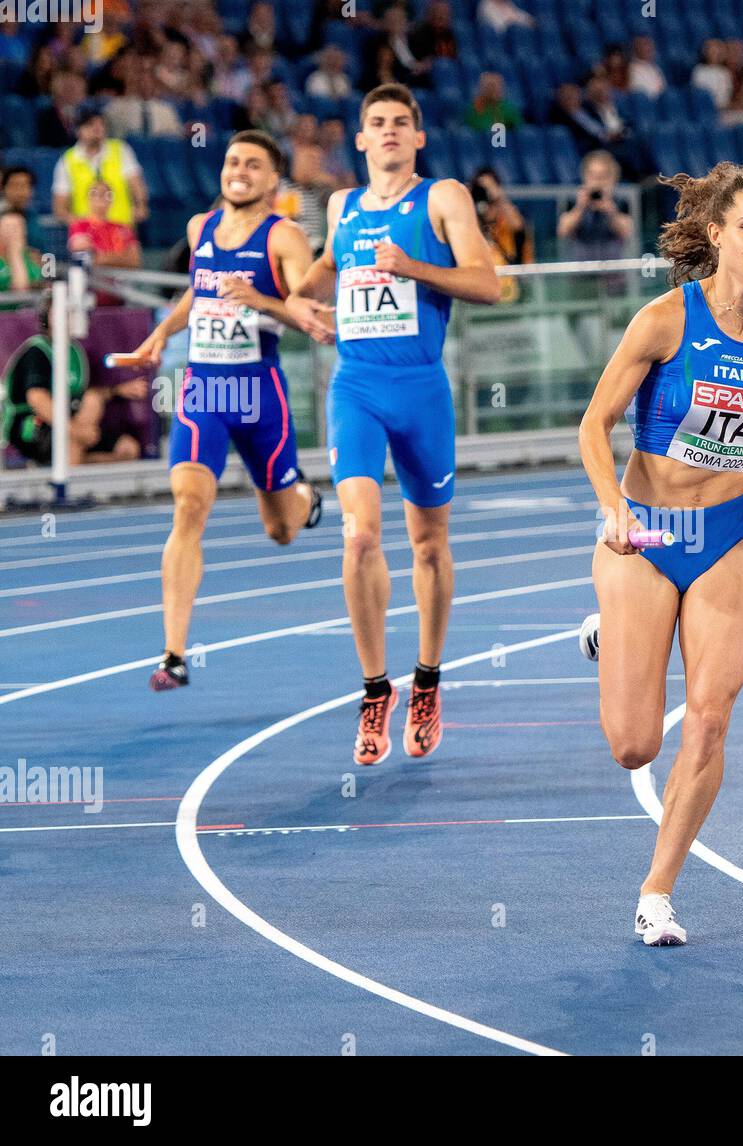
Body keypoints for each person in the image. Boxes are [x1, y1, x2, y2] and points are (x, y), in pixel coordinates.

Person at [576, 162, 743, 946]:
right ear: (716, 233)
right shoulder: (663, 321)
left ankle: (657, 892)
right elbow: (593, 425)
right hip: (643, 537)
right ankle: (610, 628)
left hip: (727, 541)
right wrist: (612, 507)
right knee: (634, 745)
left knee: (709, 722)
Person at [285, 83, 502, 765]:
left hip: (422, 390)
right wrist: (299, 304)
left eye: (399, 123)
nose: (386, 132)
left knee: (430, 547)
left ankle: (428, 680)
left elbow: (489, 283)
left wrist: (409, 265)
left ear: (418, 137)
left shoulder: (443, 198)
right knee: (359, 539)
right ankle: (376, 688)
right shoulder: (342, 205)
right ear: (358, 138)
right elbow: (325, 271)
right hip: (356, 387)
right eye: (374, 122)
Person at [125, 131, 324, 691]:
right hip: (203, 392)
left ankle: (304, 498)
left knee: (280, 529)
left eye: (253, 165)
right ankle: (173, 654)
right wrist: (163, 331)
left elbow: (309, 313)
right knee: (189, 506)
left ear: (272, 180)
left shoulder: (284, 238)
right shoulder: (200, 228)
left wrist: (261, 300)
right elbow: (198, 292)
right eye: (233, 161)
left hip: (260, 394)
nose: (238, 171)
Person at [1, 291, 151, 467]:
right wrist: (74, 430)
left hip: (72, 420)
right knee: (71, 443)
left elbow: (83, 396)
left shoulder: (75, 352)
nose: (67, 317)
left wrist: (117, 390)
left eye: (71, 312)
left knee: (127, 449)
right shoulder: (37, 351)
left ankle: (73, 465)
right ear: (46, 317)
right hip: (32, 425)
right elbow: (37, 399)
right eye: (60, 312)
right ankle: (70, 472)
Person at [52, 109, 148, 228]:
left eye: (101, 125)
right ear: (78, 130)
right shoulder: (67, 161)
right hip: (87, 237)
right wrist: (79, 226)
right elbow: (60, 208)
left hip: (122, 230)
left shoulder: (121, 150)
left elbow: (136, 184)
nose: (97, 129)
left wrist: (141, 206)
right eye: (90, 125)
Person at [557, 150, 634, 261]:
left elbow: (627, 232)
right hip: (581, 268)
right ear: (585, 176)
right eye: (593, 176)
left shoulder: (621, 200)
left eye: (603, 176)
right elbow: (563, 231)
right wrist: (580, 208)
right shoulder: (574, 200)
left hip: (613, 268)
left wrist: (611, 211)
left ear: (613, 178)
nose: (598, 182)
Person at [470, 165, 532, 301]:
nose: (485, 193)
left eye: (488, 188)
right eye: (481, 188)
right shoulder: (471, 220)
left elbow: (518, 227)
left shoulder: (507, 217)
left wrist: (499, 198)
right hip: (480, 296)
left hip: (510, 294)